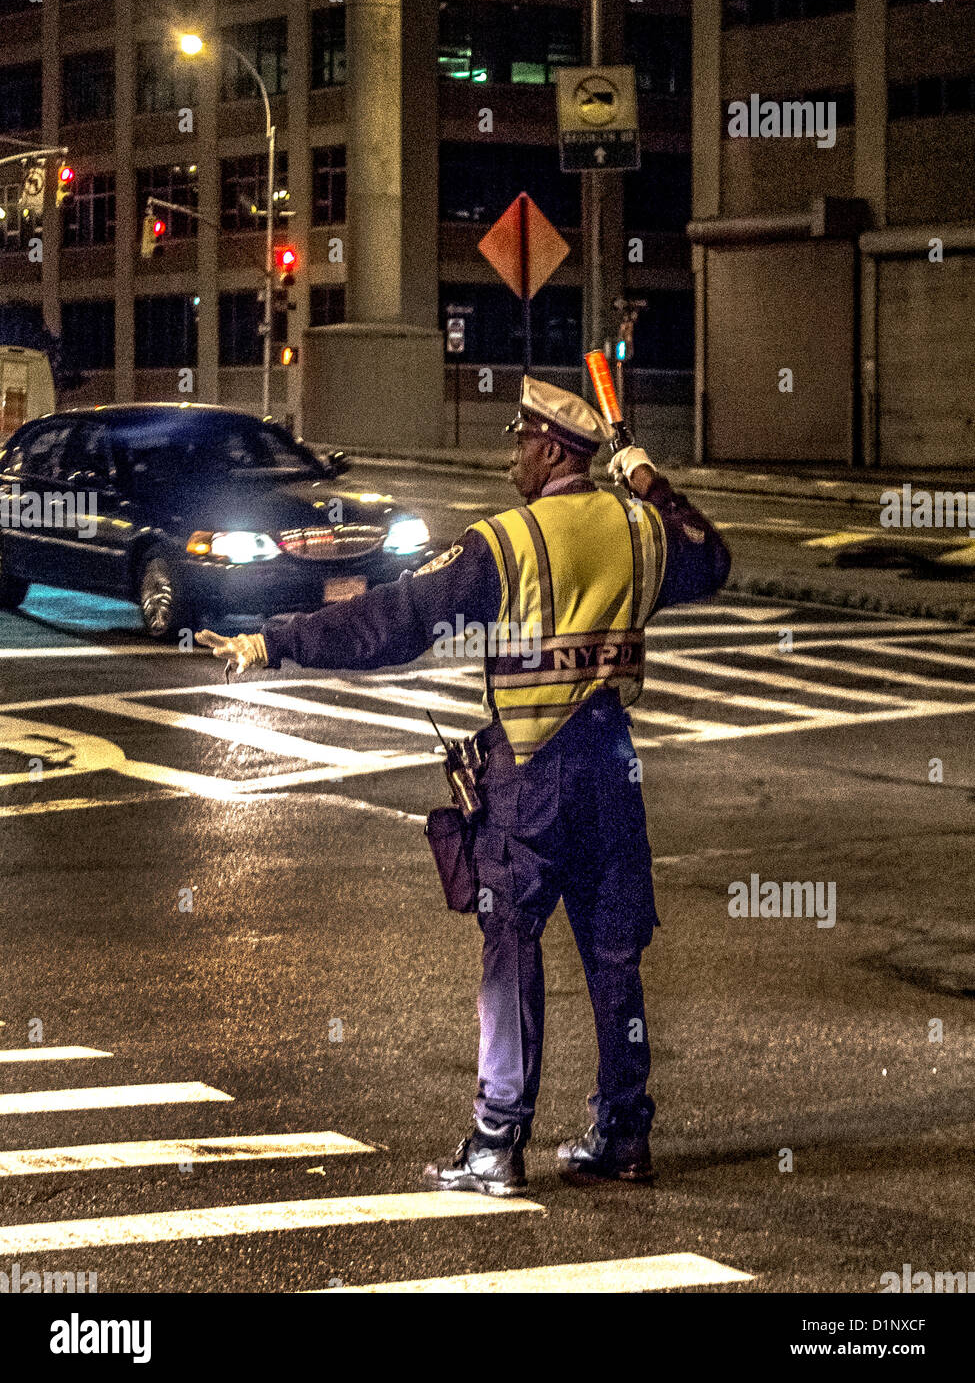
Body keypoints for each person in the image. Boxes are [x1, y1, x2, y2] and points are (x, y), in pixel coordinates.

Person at [197, 377, 731, 1196]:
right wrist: (646, 479)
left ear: (553, 450)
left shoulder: (505, 542)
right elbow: (712, 556)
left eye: (521, 438)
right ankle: (623, 1134)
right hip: (612, 767)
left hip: (531, 768)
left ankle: (495, 1144)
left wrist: (276, 643)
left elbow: (396, 620)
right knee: (615, 955)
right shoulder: (638, 528)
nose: (511, 452)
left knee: (510, 951)